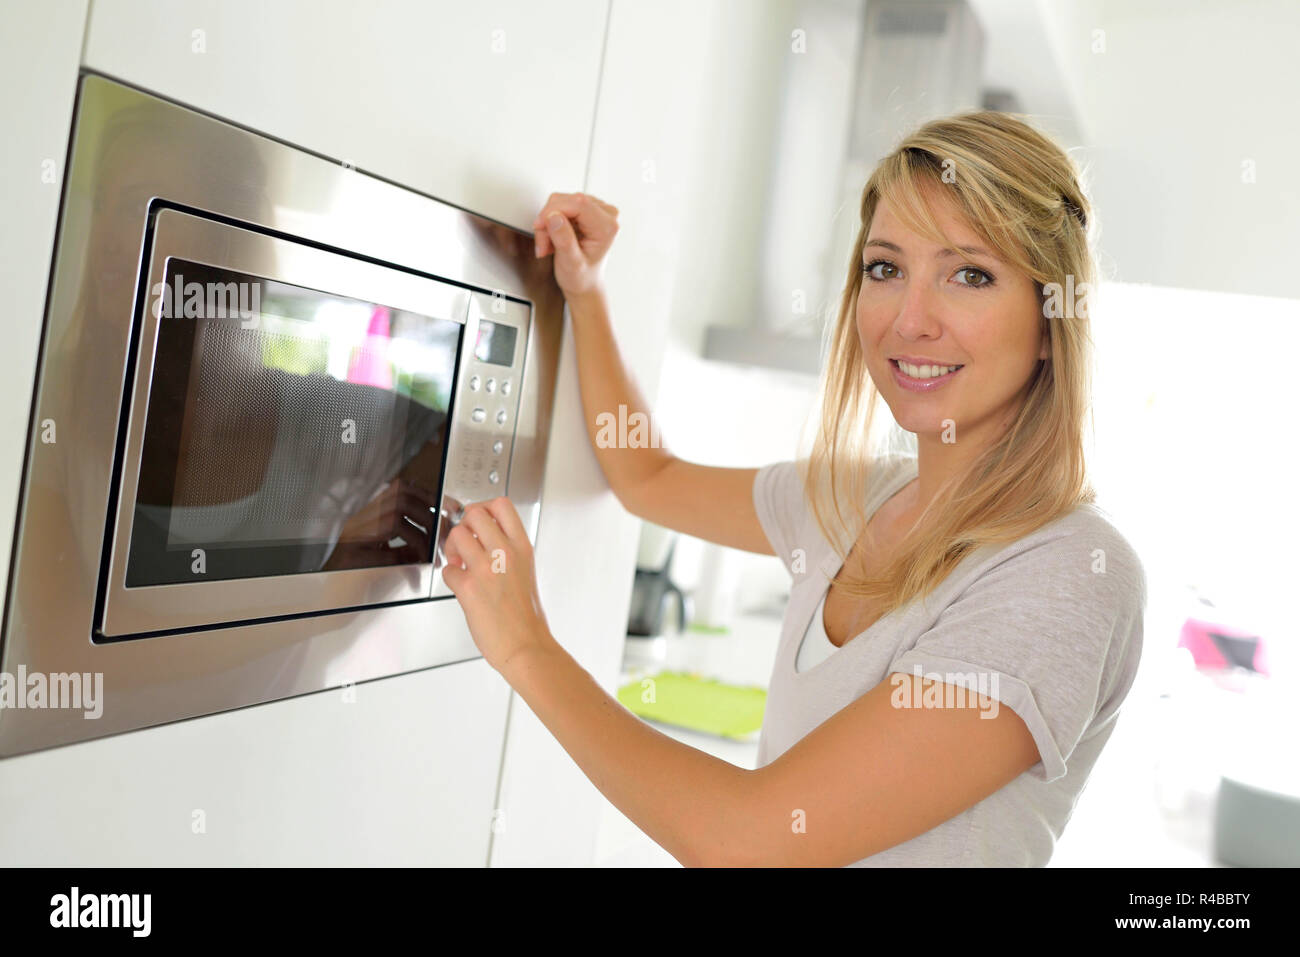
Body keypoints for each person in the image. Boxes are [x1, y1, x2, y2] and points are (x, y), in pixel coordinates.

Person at [439, 110, 1147, 867]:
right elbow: (648, 478)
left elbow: (753, 840)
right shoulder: (853, 498)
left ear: (1051, 321)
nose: (910, 320)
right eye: (885, 269)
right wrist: (583, 294)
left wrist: (526, 647)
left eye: (970, 274)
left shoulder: (1068, 569)